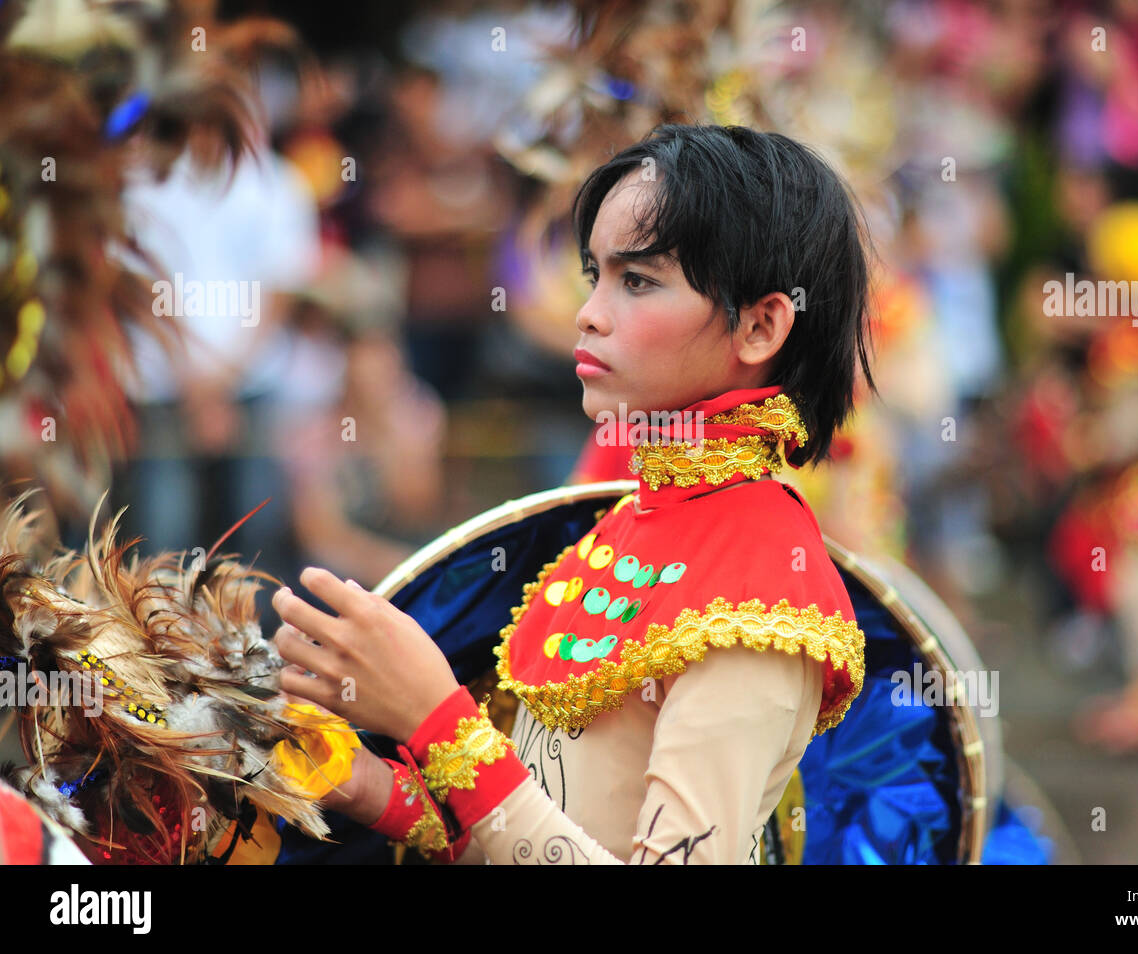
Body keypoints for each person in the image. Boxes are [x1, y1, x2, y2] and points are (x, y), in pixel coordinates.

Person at [271, 124, 873, 864]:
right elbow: (539, 820)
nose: (587, 313)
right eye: (595, 275)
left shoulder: (759, 596)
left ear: (759, 326)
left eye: (639, 280)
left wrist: (438, 719)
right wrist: (363, 783)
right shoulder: (621, 524)